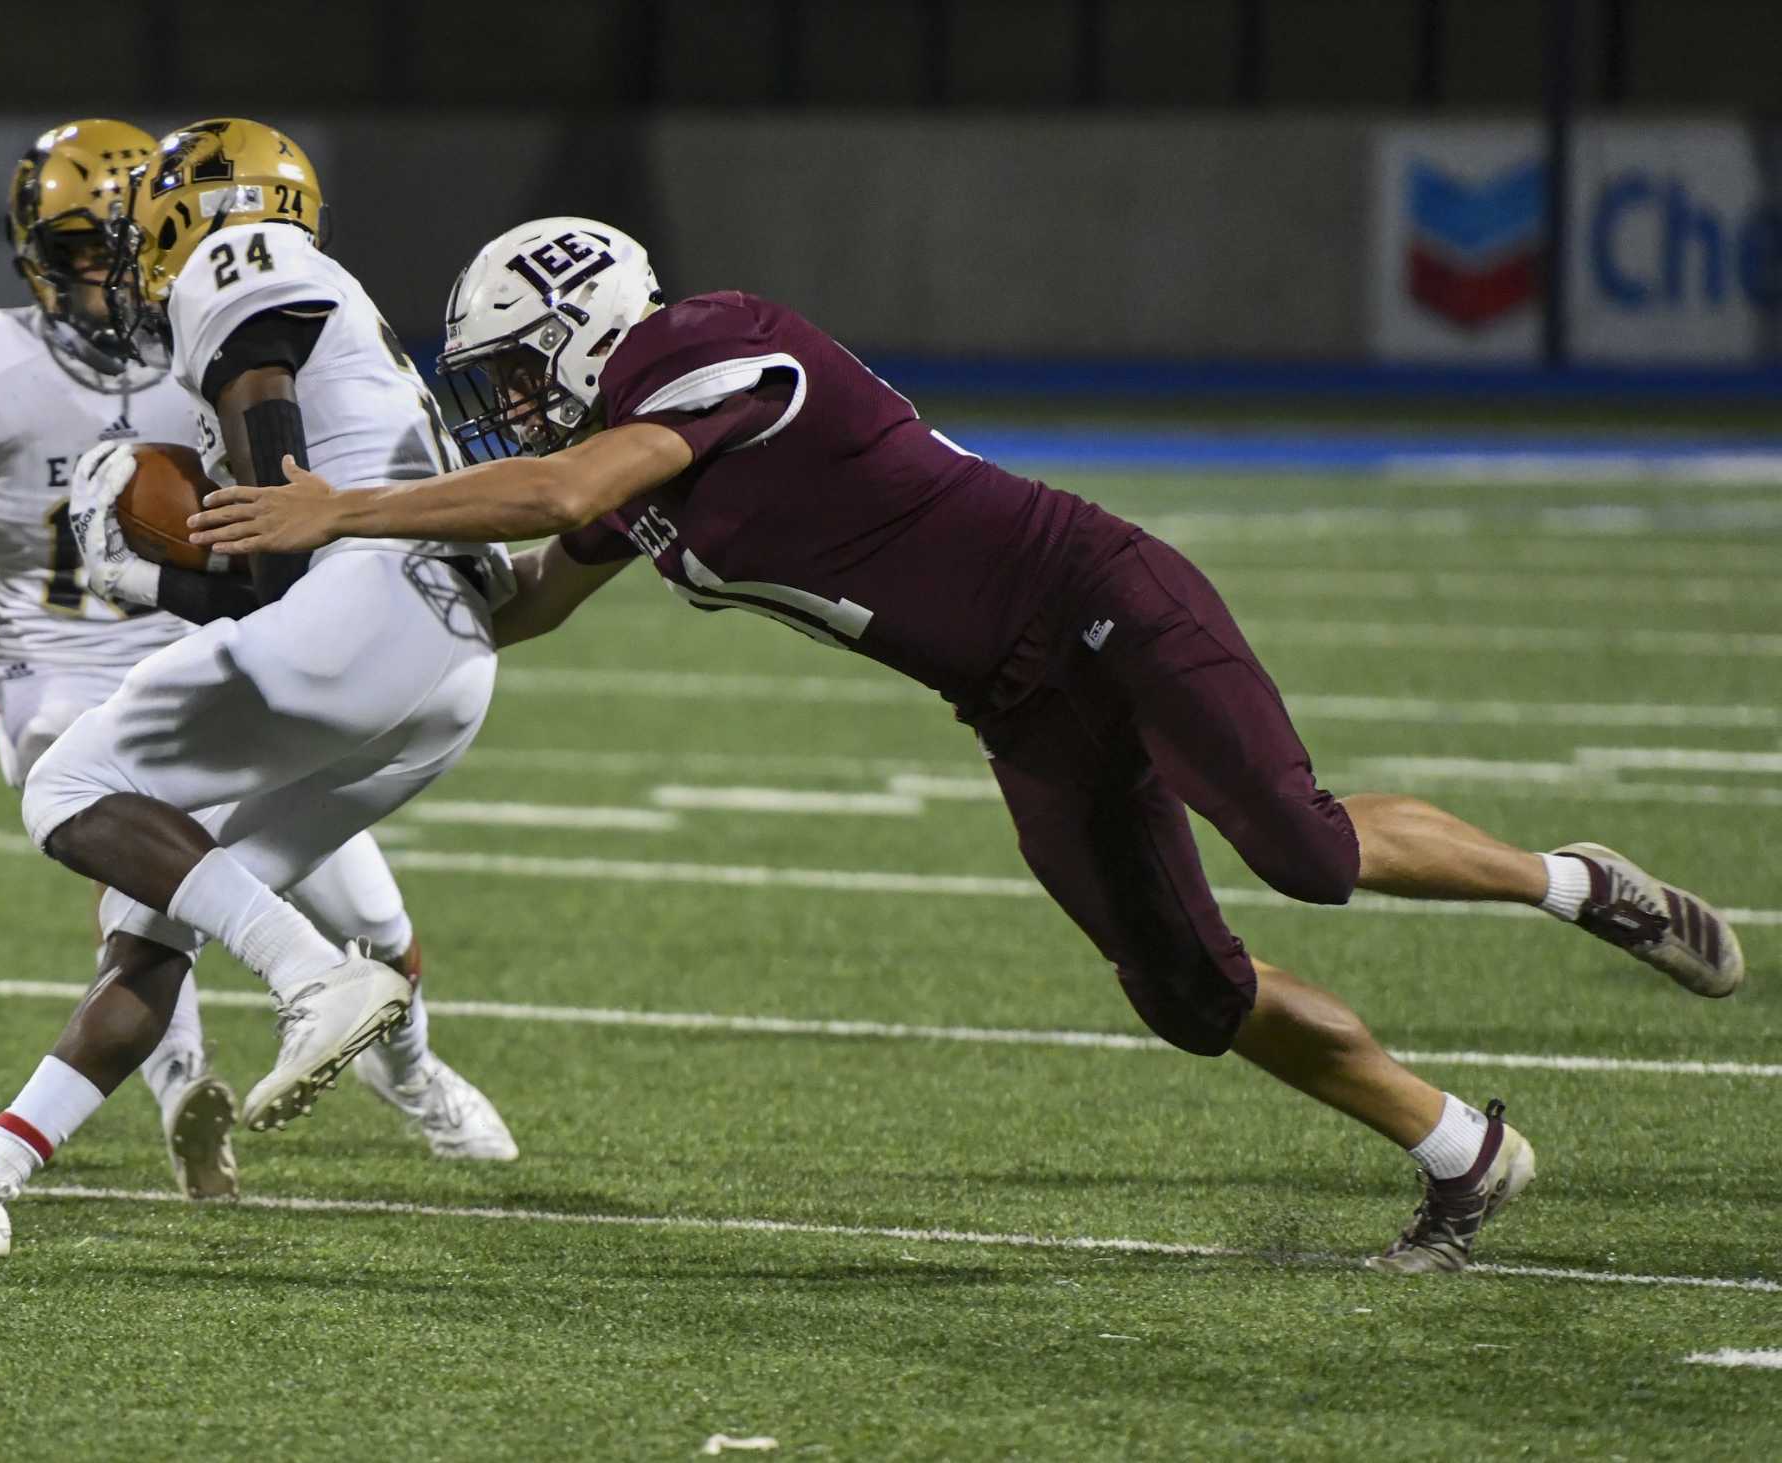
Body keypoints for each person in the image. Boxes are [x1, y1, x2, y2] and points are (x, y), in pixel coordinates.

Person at [184, 216, 1745, 1275]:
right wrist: (361, 586)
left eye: (517, 370)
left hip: (1092, 593)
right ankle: (1464, 1149)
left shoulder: (710, 347)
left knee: (1304, 848)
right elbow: (530, 597)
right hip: (1010, 703)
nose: (510, 405)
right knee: (1190, 991)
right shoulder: (627, 464)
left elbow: (567, 491)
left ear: (580, 319)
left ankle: (1572, 880)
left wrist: (350, 502)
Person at [0, 120, 517, 1261]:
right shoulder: (341, 313)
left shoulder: (245, 267)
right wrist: (165, 570)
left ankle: (308, 975)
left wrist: (172, 549)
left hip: (359, 617)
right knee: (148, 924)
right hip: (446, 662)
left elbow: (282, 524)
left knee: (67, 785)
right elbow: (279, 567)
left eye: (142, 231)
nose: (132, 260)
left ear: (194, 214)